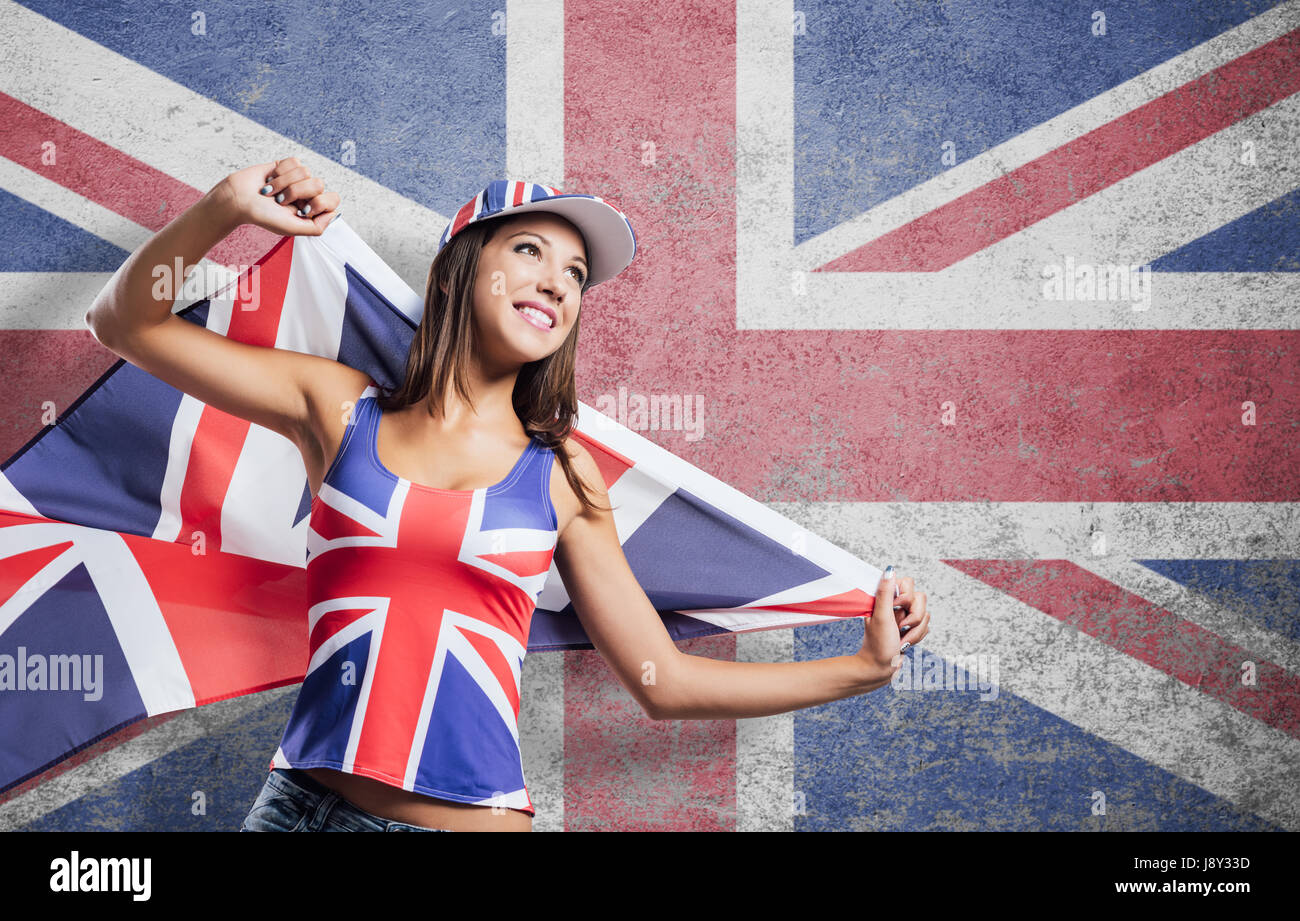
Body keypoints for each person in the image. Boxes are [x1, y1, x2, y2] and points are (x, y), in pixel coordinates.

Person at [84, 157, 931, 832]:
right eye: (529, 250)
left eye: (575, 273)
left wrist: (858, 669)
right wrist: (228, 205)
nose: (558, 281)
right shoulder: (338, 410)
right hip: (300, 809)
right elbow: (124, 323)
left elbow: (661, 679)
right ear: (459, 272)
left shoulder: (563, 475)